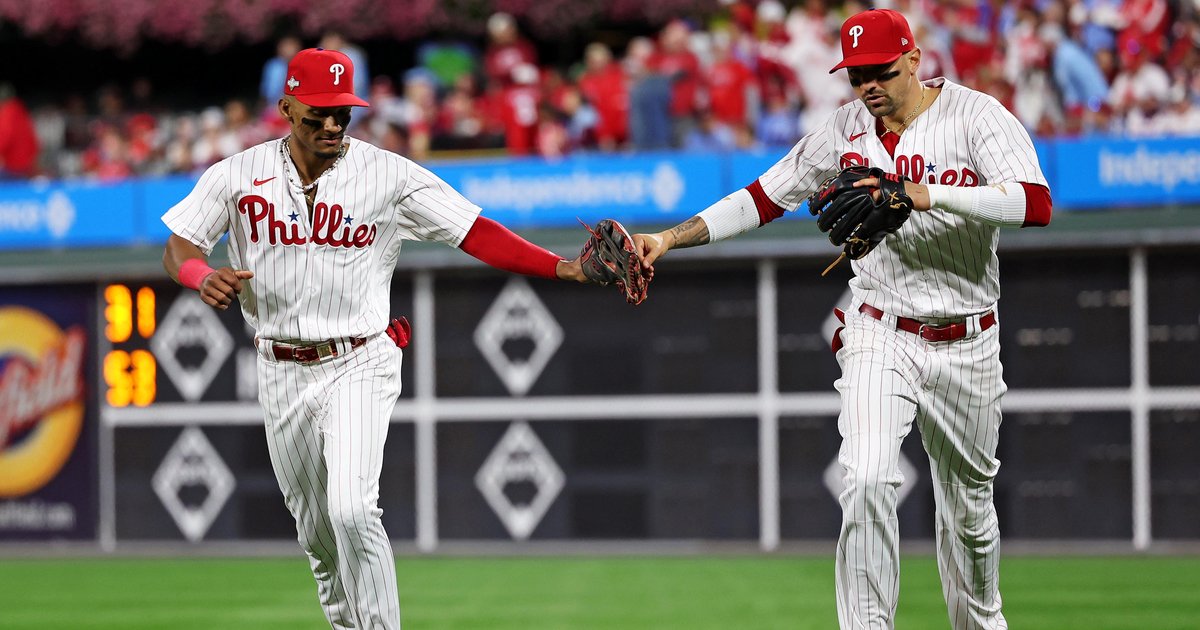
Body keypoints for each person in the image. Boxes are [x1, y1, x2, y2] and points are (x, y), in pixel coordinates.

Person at [632, 9, 1052, 629]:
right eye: (856, 76)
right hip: (881, 328)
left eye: (879, 71)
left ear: (913, 57)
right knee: (868, 478)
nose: (868, 87)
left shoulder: (976, 116)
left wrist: (921, 193)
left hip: (968, 338)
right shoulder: (845, 129)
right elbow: (764, 196)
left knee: (969, 513)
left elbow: (1034, 203)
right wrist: (669, 238)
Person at [160, 48, 592, 630]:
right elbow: (180, 245)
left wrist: (563, 268)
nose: (334, 124)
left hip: (360, 357)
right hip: (279, 367)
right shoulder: (235, 174)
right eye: (318, 114)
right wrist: (200, 275)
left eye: (344, 112)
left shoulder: (387, 174)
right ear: (286, 108)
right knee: (318, 536)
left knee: (352, 509)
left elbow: (476, 232)